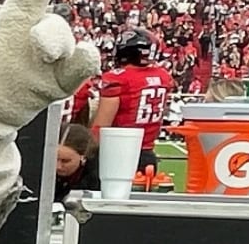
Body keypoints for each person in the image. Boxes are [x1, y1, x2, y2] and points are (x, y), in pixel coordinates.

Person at [91, 28, 173, 172]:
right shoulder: (163, 76)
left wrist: (88, 154)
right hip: (147, 153)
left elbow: (101, 126)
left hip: (119, 153)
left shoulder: (118, 77)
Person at [54, 123, 100, 201]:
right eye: (54, 160)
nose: (58, 166)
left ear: (83, 157)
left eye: (65, 161)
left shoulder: (98, 176)